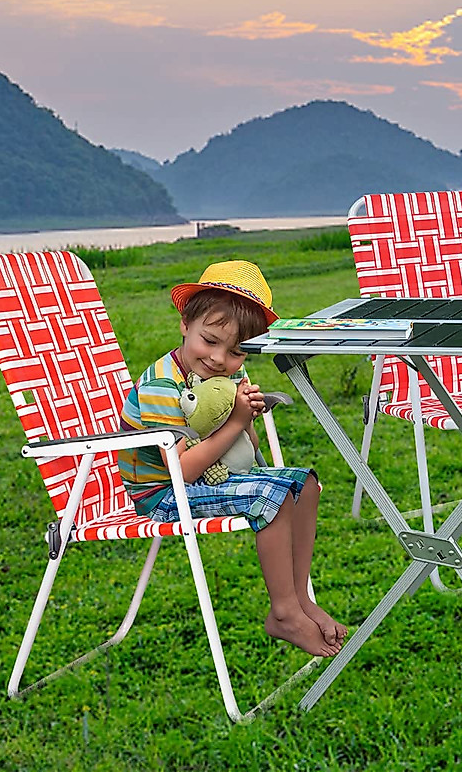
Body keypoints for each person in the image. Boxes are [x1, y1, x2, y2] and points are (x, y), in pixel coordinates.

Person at [118, 259, 346, 658]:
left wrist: (247, 416)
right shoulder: (161, 384)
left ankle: (300, 598)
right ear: (185, 324)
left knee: (306, 484)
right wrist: (236, 420)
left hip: (212, 475)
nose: (218, 359)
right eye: (209, 341)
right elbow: (181, 472)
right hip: (162, 493)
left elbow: (246, 449)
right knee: (272, 498)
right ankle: (284, 612)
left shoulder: (229, 377)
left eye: (237, 352)